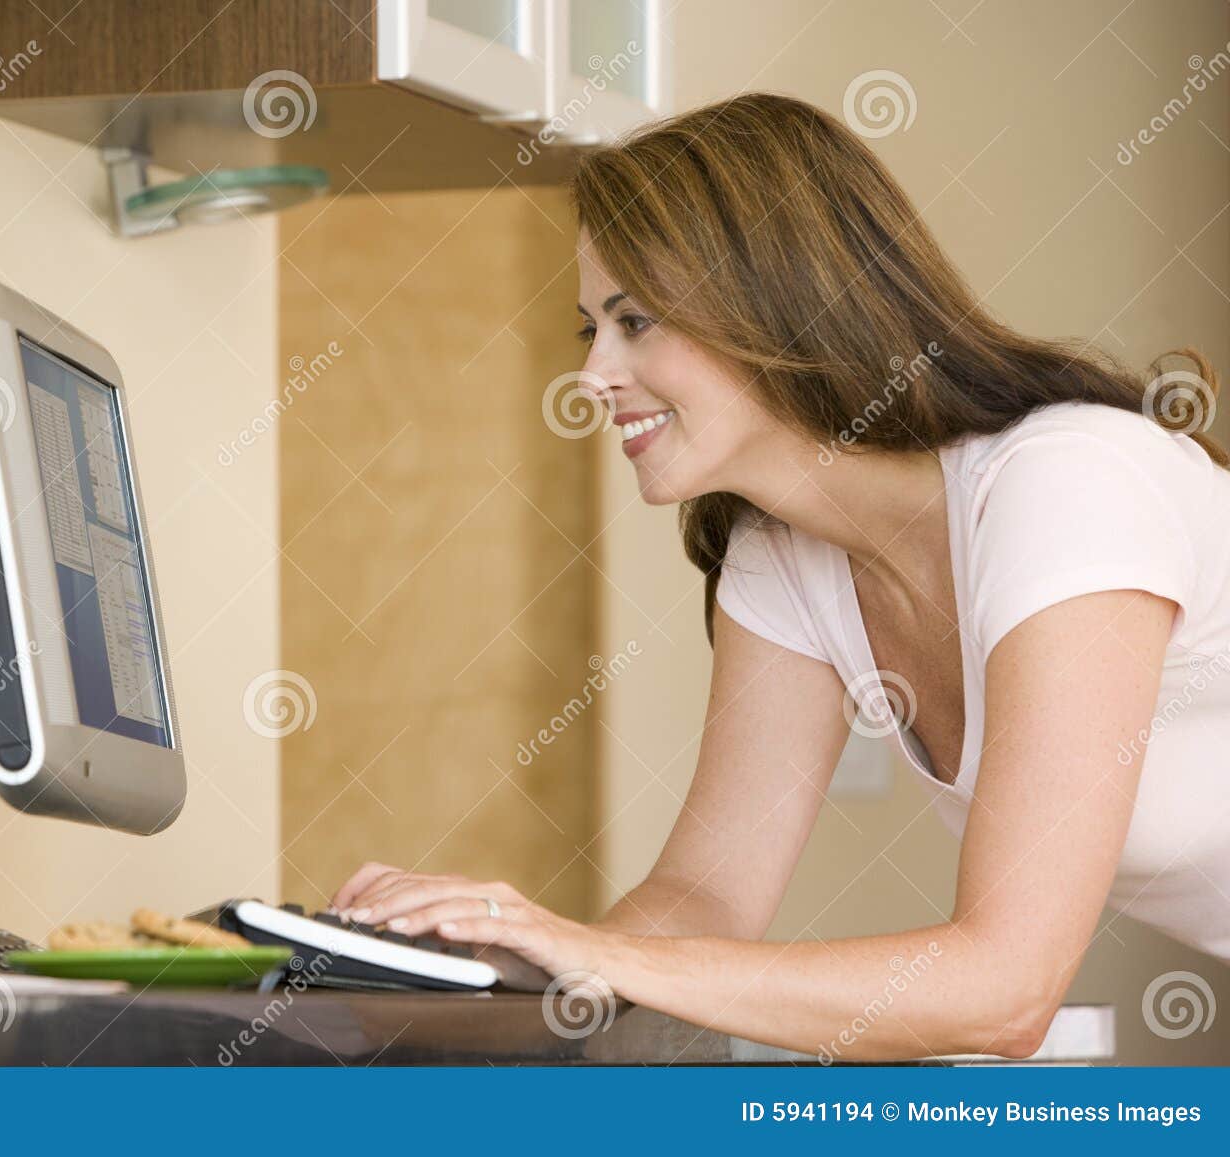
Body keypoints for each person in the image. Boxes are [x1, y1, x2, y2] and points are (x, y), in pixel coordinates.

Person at [331, 92, 1230, 1061]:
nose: (593, 372)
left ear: (778, 299)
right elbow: (701, 899)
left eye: (635, 320)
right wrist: (490, 958)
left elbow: (1002, 988)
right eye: (590, 328)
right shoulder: (784, 551)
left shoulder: (1070, 483)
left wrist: (582, 949)